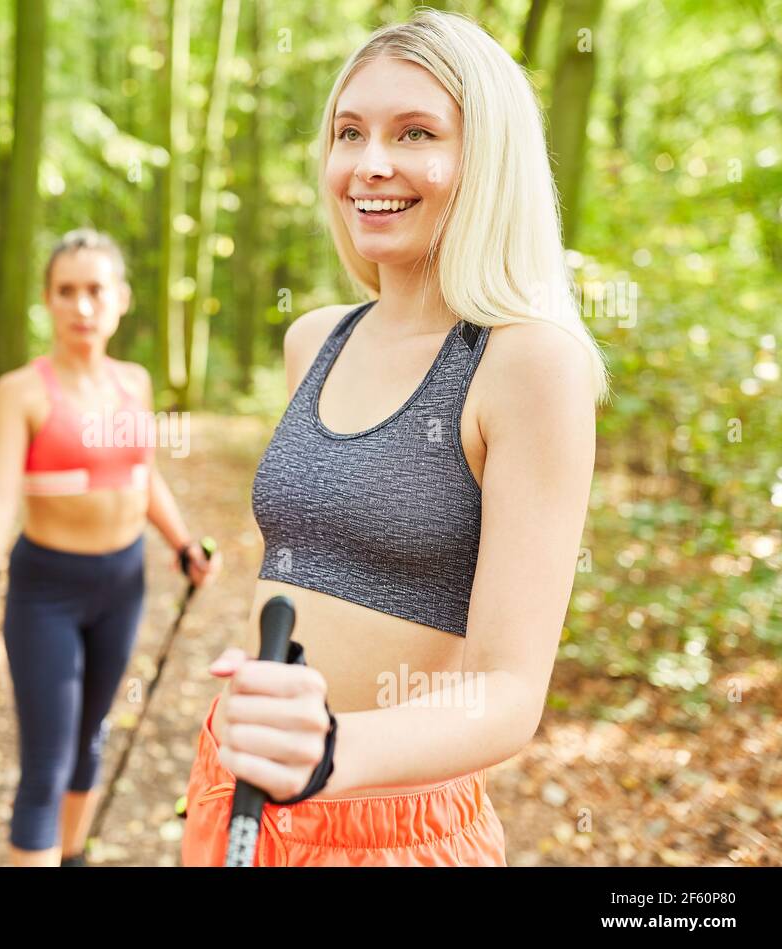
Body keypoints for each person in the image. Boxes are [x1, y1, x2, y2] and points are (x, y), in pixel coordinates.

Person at [180, 9, 609, 866]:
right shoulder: (318, 338)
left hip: (391, 825)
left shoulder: (530, 364)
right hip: (236, 785)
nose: (369, 163)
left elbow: (510, 691)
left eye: (415, 132)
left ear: (486, 161)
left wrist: (331, 753)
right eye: (349, 132)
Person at [0, 229, 222, 867]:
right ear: (47, 300)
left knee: (90, 741)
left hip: (123, 584)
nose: (82, 306)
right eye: (67, 291)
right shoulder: (22, 390)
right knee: (48, 760)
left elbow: (142, 476)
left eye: (95, 290)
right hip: (47, 587)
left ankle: (71, 855)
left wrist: (183, 542)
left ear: (121, 299)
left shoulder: (133, 383)